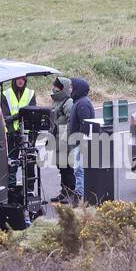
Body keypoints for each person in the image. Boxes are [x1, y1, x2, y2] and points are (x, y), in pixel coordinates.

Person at [66, 77, 94, 206]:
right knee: (78, 171)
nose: (70, 89)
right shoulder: (79, 102)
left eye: (72, 87)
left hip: (81, 144)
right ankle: (80, 197)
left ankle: (79, 199)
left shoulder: (83, 103)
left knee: (80, 171)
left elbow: (86, 125)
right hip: (78, 144)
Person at [50, 77, 77, 203]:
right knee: (61, 167)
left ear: (62, 88)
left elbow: (71, 121)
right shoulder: (57, 101)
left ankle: (69, 192)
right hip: (58, 139)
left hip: (64, 140)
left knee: (67, 167)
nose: (54, 88)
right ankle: (63, 191)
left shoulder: (68, 102)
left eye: (57, 86)